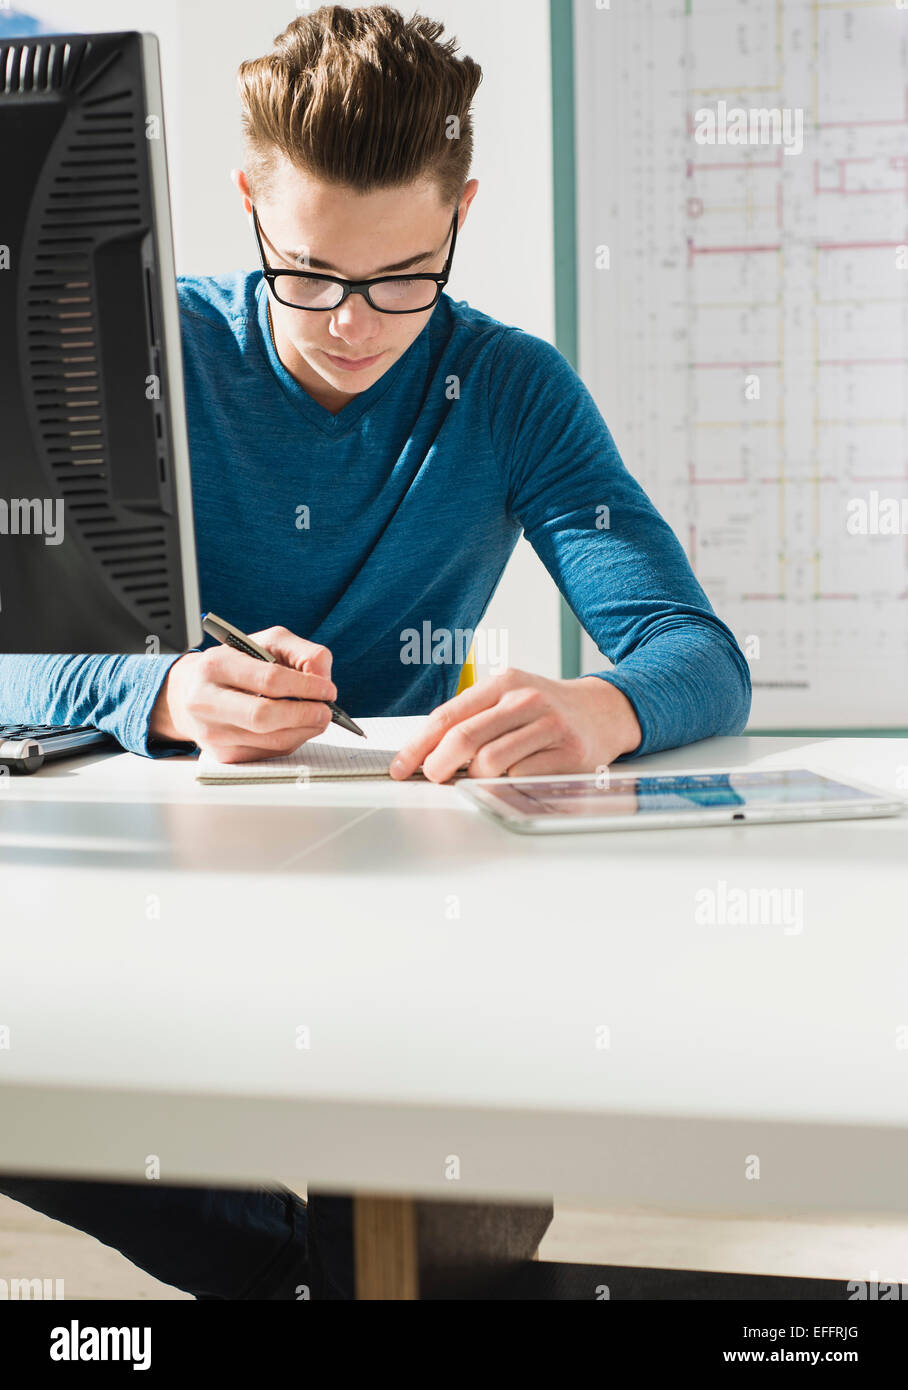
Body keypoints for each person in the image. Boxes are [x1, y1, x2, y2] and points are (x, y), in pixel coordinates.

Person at [0, 4, 751, 1298]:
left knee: (408, 1219)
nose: (353, 323)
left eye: (405, 276)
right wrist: (162, 690)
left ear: (461, 211)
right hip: (147, 911)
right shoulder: (141, 354)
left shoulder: (511, 390)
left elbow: (695, 650)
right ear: (245, 201)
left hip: (406, 920)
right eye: (307, 273)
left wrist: (597, 708)